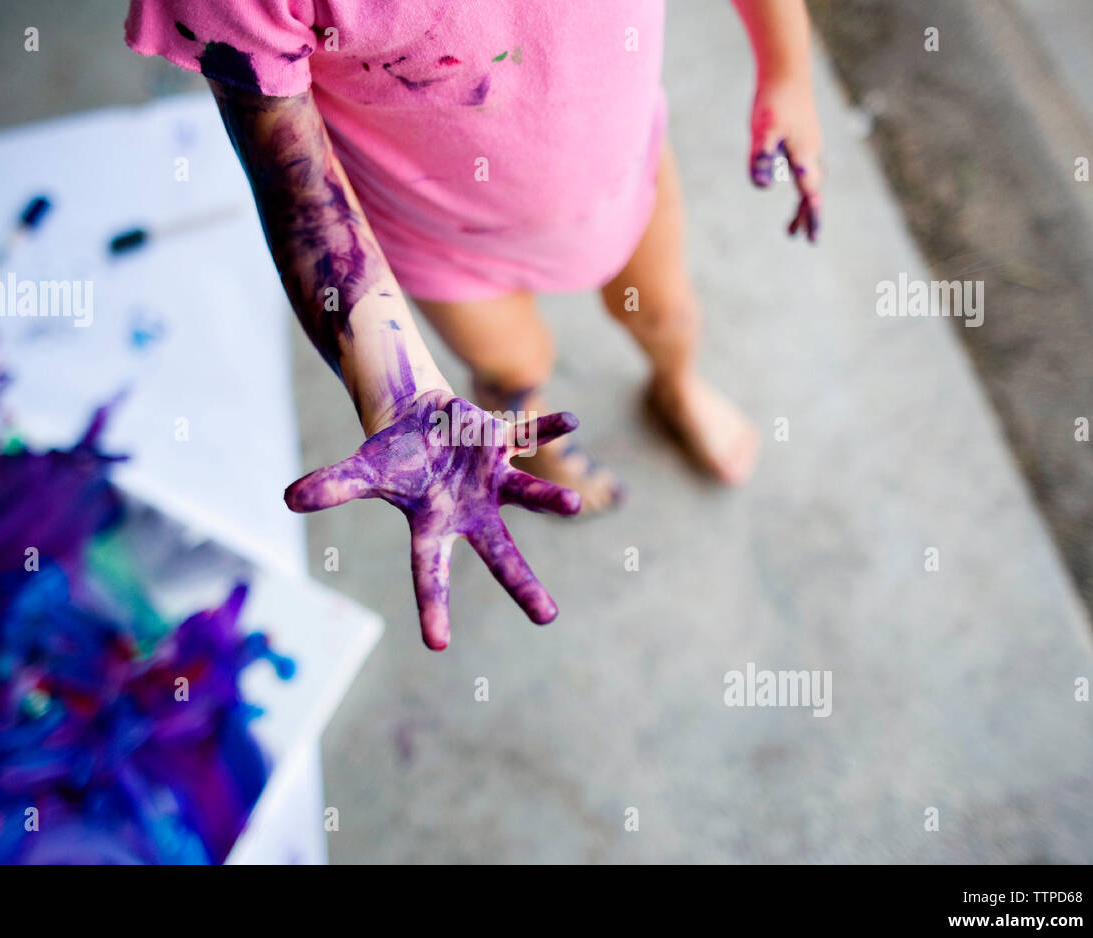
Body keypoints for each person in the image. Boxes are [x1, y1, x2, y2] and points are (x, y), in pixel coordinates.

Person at [125, 0, 823, 649]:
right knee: (514, 372)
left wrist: (787, 70)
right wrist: (401, 399)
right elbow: (294, 187)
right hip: (438, 241)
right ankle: (533, 433)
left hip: (617, 171)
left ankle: (677, 385)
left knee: (664, 312)